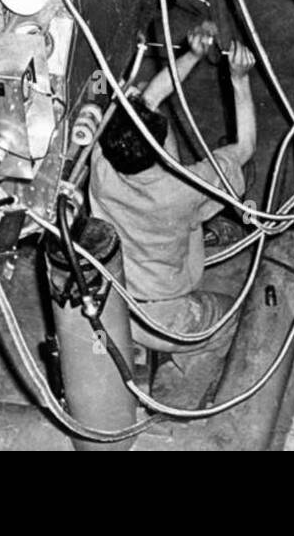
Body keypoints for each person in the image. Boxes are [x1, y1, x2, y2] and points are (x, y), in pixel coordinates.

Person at [89, 22, 256, 371]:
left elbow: (149, 97)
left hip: (113, 305)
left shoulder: (102, 161)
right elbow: (245, 148)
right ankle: (186, 370)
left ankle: (138, 349)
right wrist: (240, 80)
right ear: (156, 149)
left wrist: (192, 54)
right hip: (166, 320)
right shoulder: (185, 188)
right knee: (239, 315)